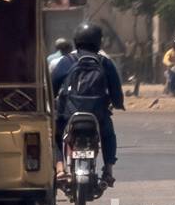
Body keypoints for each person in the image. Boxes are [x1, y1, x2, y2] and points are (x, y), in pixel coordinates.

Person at [52, 22, 125, 187]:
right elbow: (116, 91)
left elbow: (52, 87)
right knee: (108, 135)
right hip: (98, 115)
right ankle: (108, 170)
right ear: (99, 41)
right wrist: (118, 104)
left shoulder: (66, 61)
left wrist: (52, 103)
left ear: (76, 40)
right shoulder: (105, 63)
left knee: (54, 136)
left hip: (69, 115)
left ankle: (60, 169)